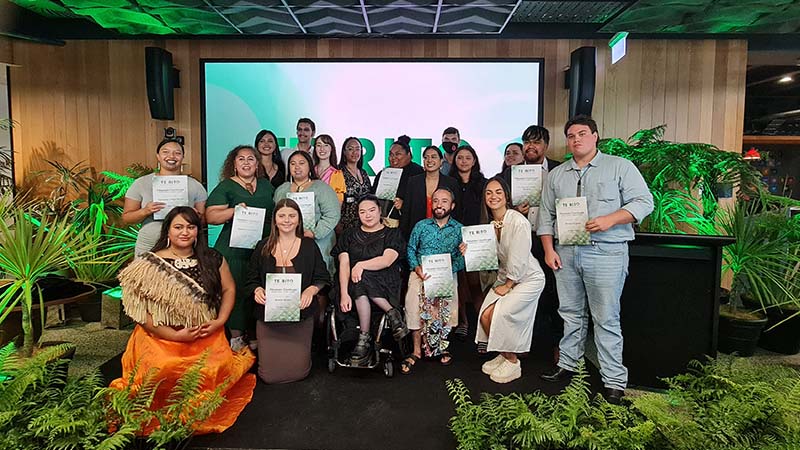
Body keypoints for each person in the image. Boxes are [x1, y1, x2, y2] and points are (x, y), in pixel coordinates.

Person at [538, 116, 654, 404]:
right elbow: (545, 216)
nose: (576, 139)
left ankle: (613, 380)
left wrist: (609, 220)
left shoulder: (619, 167)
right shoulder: (557, 175)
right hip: (565, 252)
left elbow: (644, 202)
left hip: (606, 252)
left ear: (595, 136)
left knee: (606, 317)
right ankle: (568, 365)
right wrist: (549, 250)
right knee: (570, 313)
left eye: (582, 133)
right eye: (570, 135)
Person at [112, 207, 255, 434]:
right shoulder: (149, 263)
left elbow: (229, 289)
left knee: (211, 370)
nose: (185, 232)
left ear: (198, 231)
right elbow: (137, 309)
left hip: (206, 334)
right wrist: (173, 334)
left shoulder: (212, 258)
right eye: (178, 227)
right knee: (162, 370)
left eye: (190, 227)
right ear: (168, 230)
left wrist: (220, 321)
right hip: (160, 337)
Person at [245, 199, 330, 384]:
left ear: (299, 220)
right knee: (268, 376)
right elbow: (250, 278)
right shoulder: (263, 245)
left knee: (299, 372)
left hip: (300, 316)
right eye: (281, 216)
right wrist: (257, 289)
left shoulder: (309, 246)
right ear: (274, 220)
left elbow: (323, 277)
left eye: (292, 216)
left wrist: (311, 290)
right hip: (268, 317)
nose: (287, 220)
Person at [500, 125, 563, 361]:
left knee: (555, 294)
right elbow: (497, 206)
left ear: (545, 145)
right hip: (522, 242)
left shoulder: (559, 169)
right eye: (527, 142)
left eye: (536, 142)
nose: (531, 147)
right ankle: (521, 342)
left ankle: (557, 344)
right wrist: (514, 210)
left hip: (553, 241)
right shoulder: (510, 173)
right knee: (521, 293)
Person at [475, 177, 545, 384]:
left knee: (501, 314)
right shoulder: (489, 224)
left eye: (498, 192)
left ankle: (513, 363)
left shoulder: (518, 221)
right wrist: (470, 250)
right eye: (488, 192)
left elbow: (518, 256)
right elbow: (488, 256)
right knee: (485, 315)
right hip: (506, 278)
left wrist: (509, 284)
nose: (493, 196)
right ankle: (503, 354)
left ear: (506, 195)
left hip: (527, 279)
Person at [205, 145, 275, 350]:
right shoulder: (226, 186)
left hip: (262, 248)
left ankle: (254, 333)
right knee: (234, 290)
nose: (246, 162)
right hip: (234, 249)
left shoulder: (265, 185)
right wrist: (232, 212)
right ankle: (236, 337)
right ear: (233, 164)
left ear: (257, 163)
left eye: (251, 159)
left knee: (258, 291)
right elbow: (211, 216)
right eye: (241, 159)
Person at [332, 194, 408, 366]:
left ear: (380, 211)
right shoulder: (349, 234)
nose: (368, 215)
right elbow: (344, 264)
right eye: (362, 211)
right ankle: (391, 313)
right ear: (357, 214)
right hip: (351, 284)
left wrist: (360, 265)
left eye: (372, 210)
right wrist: (344, 293)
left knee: (361, 276)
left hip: (385, 283)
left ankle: (363, 340)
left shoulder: (392, 233)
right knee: (359, 280)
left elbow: (387, 260)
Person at [401, 188, 465, 374]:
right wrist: (416, 267)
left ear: (452, 205)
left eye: (444, 201)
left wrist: (447, 271)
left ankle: (440, 347)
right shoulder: (421, 225)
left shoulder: (460, 229)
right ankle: (416, 350)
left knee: (444, 310)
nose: (439, 204)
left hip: (446, 273)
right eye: (436, 200)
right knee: (413, 306)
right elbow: (411, 249)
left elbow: (463, 258)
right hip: (421, 272)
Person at [122, 138, 207, 256]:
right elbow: (127, 218)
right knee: (146, 274)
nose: (171, 156)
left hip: (184, 247)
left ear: (183, 157)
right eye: (165, 152)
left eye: (177, 153)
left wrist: (195, 215)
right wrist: (145, 211)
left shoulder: (195, 185)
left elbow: (203, 221)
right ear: (158, 156)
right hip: (149, 244)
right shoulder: (141, 183)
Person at [274, 151, 341, 278]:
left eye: (301, 163)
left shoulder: (322, 188)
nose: (296, 167)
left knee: (318, 280)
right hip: (288, 242)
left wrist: (314, 233)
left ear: (310, 166)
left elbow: (332, 215)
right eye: (293, 164)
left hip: (319, 242)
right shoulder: (282, 189)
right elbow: (276, 215)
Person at [447, 145, 487, 341]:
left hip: (476, 238)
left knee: (475, 283)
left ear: (474, 160)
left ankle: (482, 323)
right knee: (459, 282)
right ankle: (463, 321)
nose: (463, 161)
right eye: (459, 157)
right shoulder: (448, 183)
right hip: (453, 236)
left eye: (467, 157)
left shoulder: (483, 183)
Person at [399, 145, 460, 241]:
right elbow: (407, 212)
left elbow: (456, 212)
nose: (429, 160)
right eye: (426, 157)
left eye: (433, 157)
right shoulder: (413, 181)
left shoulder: (451, 183)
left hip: (445, 235)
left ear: (441, 161)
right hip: (417, 235)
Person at [371, 135, 423, 223]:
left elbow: (421, 200)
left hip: (409, 223)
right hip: (383, 223)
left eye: (398, 154)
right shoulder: (383, 173)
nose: (393, 157)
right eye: (391, 154)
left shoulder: (418, 172)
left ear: (409, 155)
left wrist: (404, 204)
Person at [338, 136, 372, 232]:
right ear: (344, 152)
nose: (354, 152)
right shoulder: (338, 172)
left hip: (365, 222)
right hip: (345, 224)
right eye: (350, 149)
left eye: (358, 149)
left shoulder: (364, 173)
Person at [312, 133, 346, 203]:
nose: (322, 149)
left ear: (331, 148)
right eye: (318, 145)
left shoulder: (337, 174)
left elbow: (338, 203)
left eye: (326, 145)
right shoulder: (309, 171)